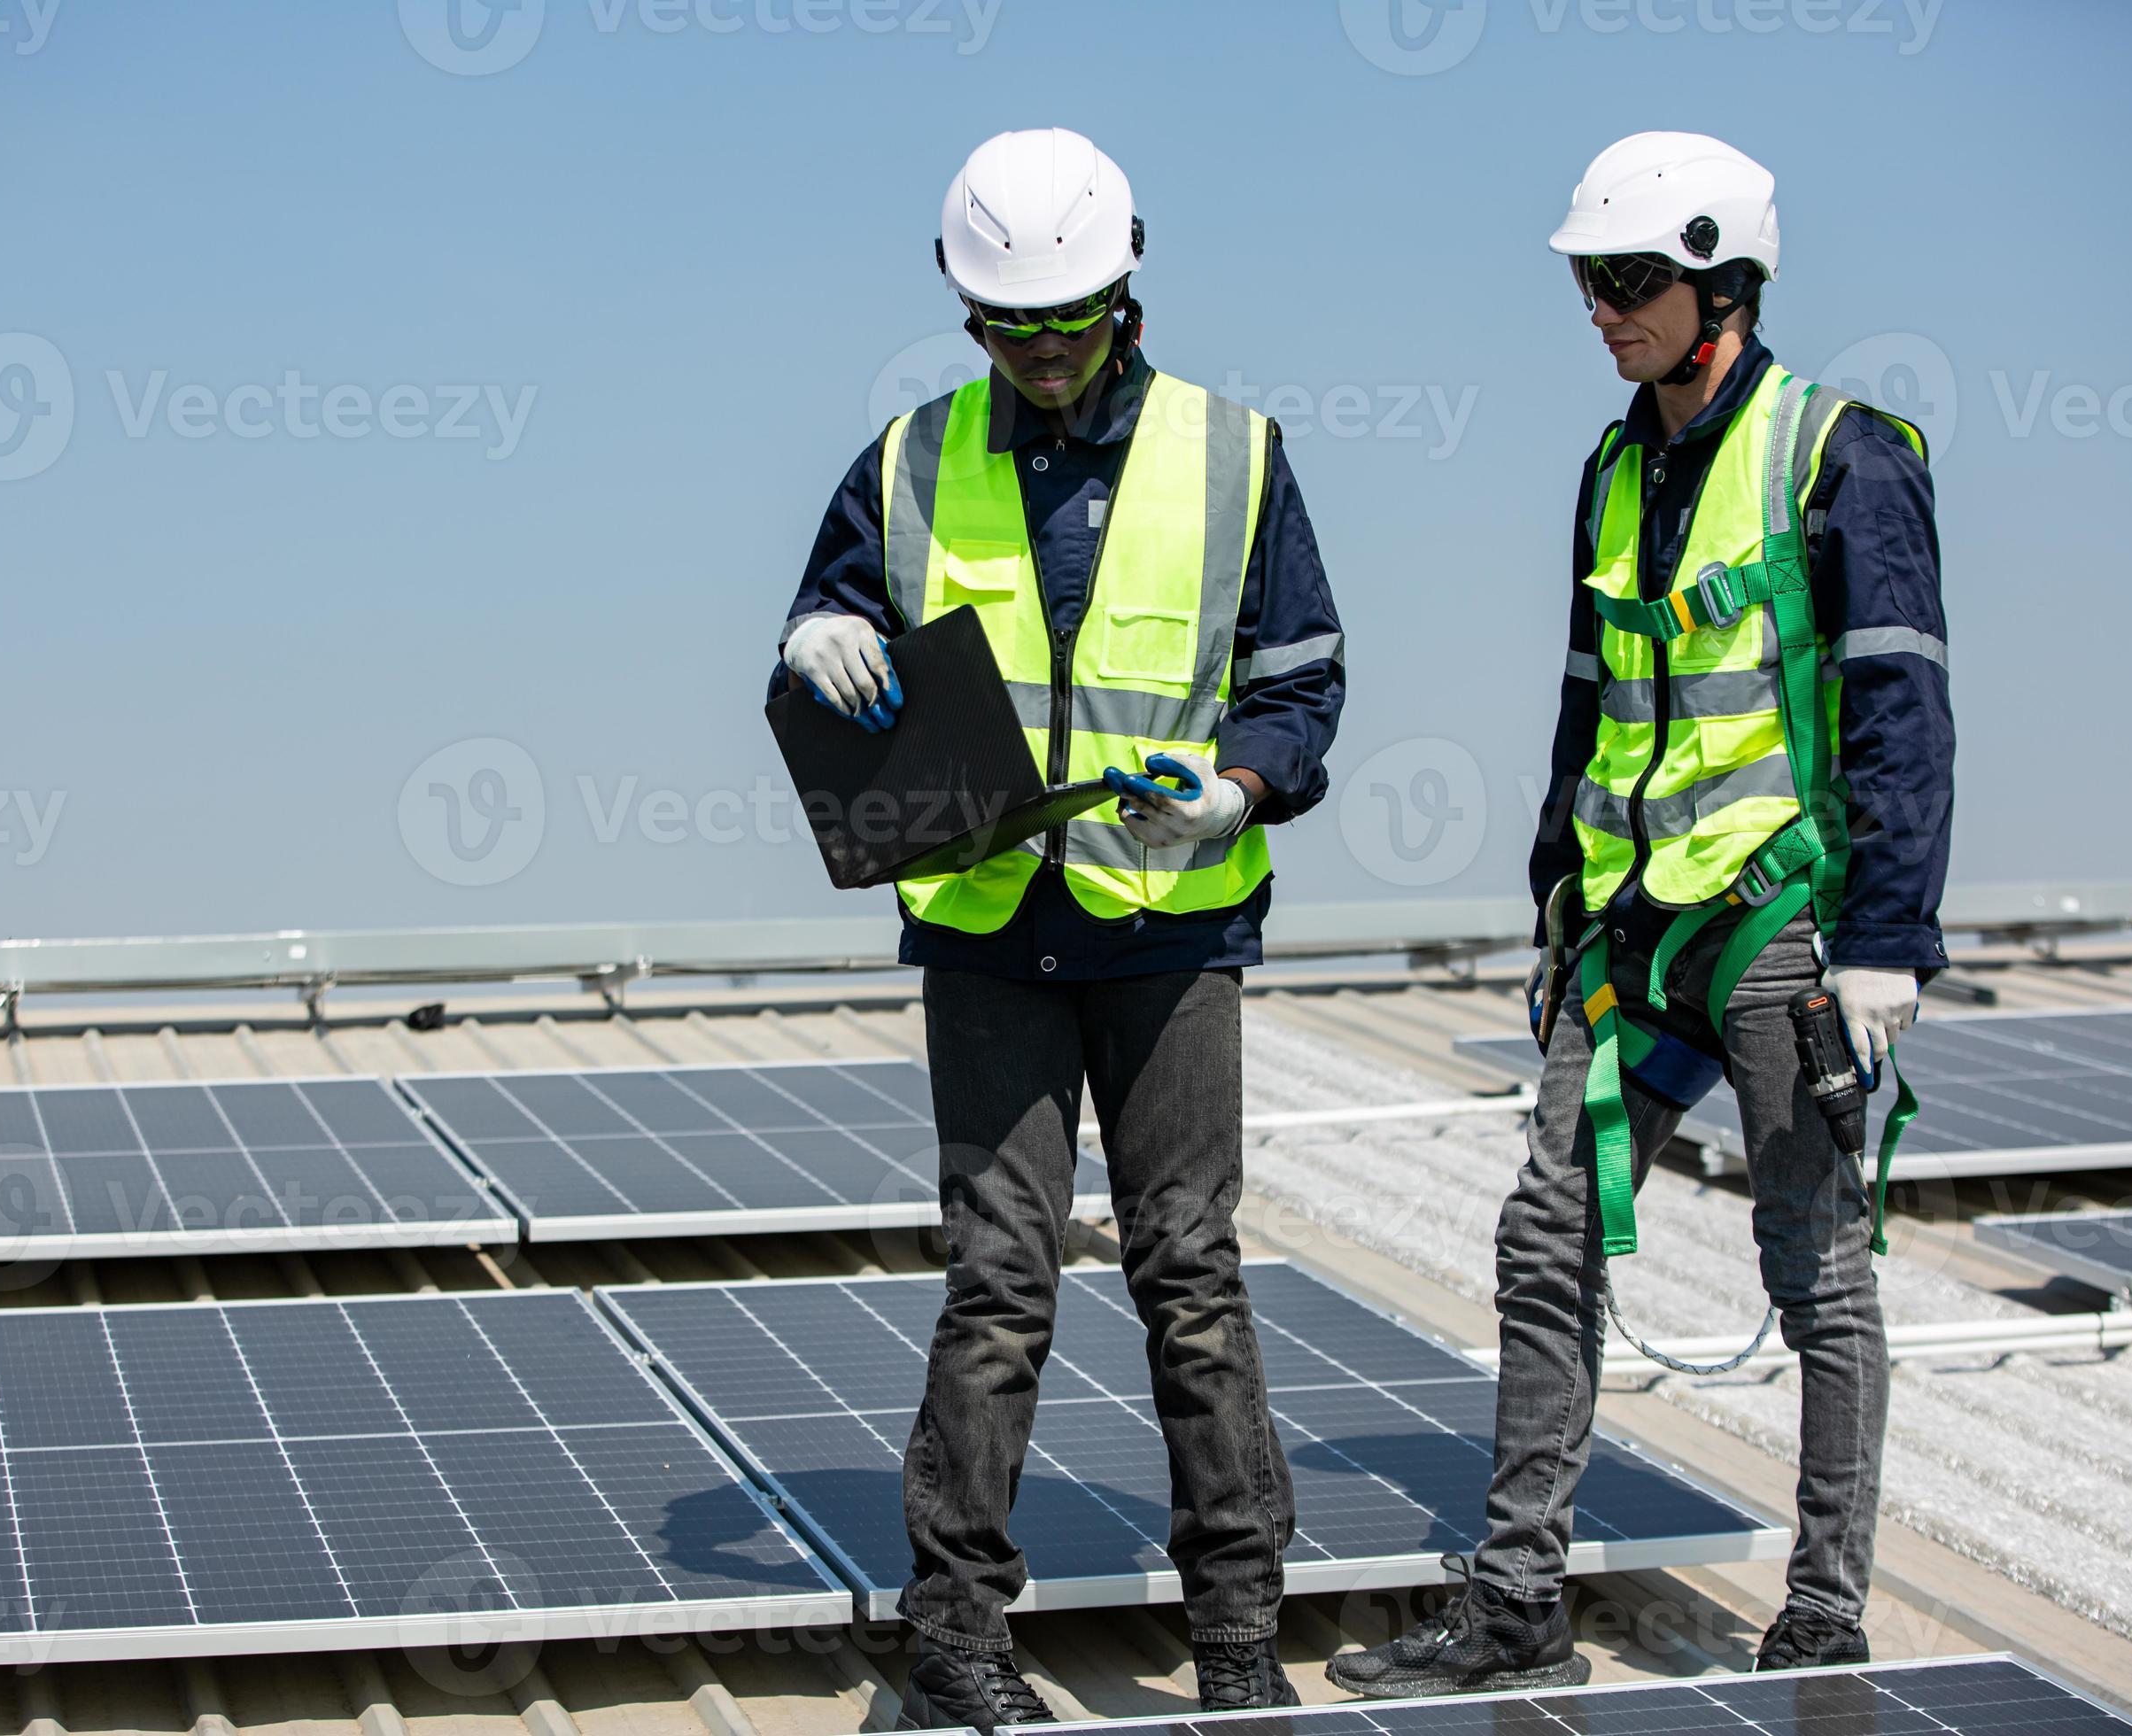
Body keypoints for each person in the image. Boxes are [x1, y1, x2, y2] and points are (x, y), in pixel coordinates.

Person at [1329, 132, 1953, 1696]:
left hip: (1777, 929)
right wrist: (1555, 900)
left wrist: (1891, 937)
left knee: (1814, 1264)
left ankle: (1823, 1604)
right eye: (1585, 282)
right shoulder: (1613, 470)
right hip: (1626, 937)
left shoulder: (1840, 454)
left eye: (1627, 282)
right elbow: (1586, 707)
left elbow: (1903, 713)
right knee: (1547, 1236)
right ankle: (1518, 1597)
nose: (1599, 309)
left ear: (1722, 284)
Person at [771, 127, 1347, 1732]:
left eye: (1063, 324)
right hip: (987, 925)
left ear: (1128, 288)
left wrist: (1239, 788)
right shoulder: (905, 460)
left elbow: (1301, 683)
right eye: (1004, 329)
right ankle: (956, 1644)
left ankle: (1239, 1634)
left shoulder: (1236, 454)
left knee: (1189, 1270)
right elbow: (832, 613)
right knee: (998, 1280)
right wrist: (821, 631)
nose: (1035, 355)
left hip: (1167, 932)